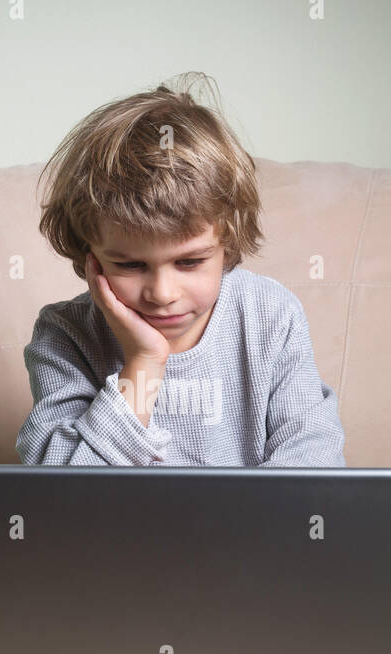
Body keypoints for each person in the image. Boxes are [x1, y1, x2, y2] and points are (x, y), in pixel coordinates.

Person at [17, 72, 345, 469]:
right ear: (92, 258)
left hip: (249, 528)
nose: (162, 292)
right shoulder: (65, 335)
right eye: (130, 265)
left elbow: (312, 454)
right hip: (116, 532)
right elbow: (61, 487)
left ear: (228, 245)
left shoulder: (271, 315)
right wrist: (144, 361)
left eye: (189, 262)